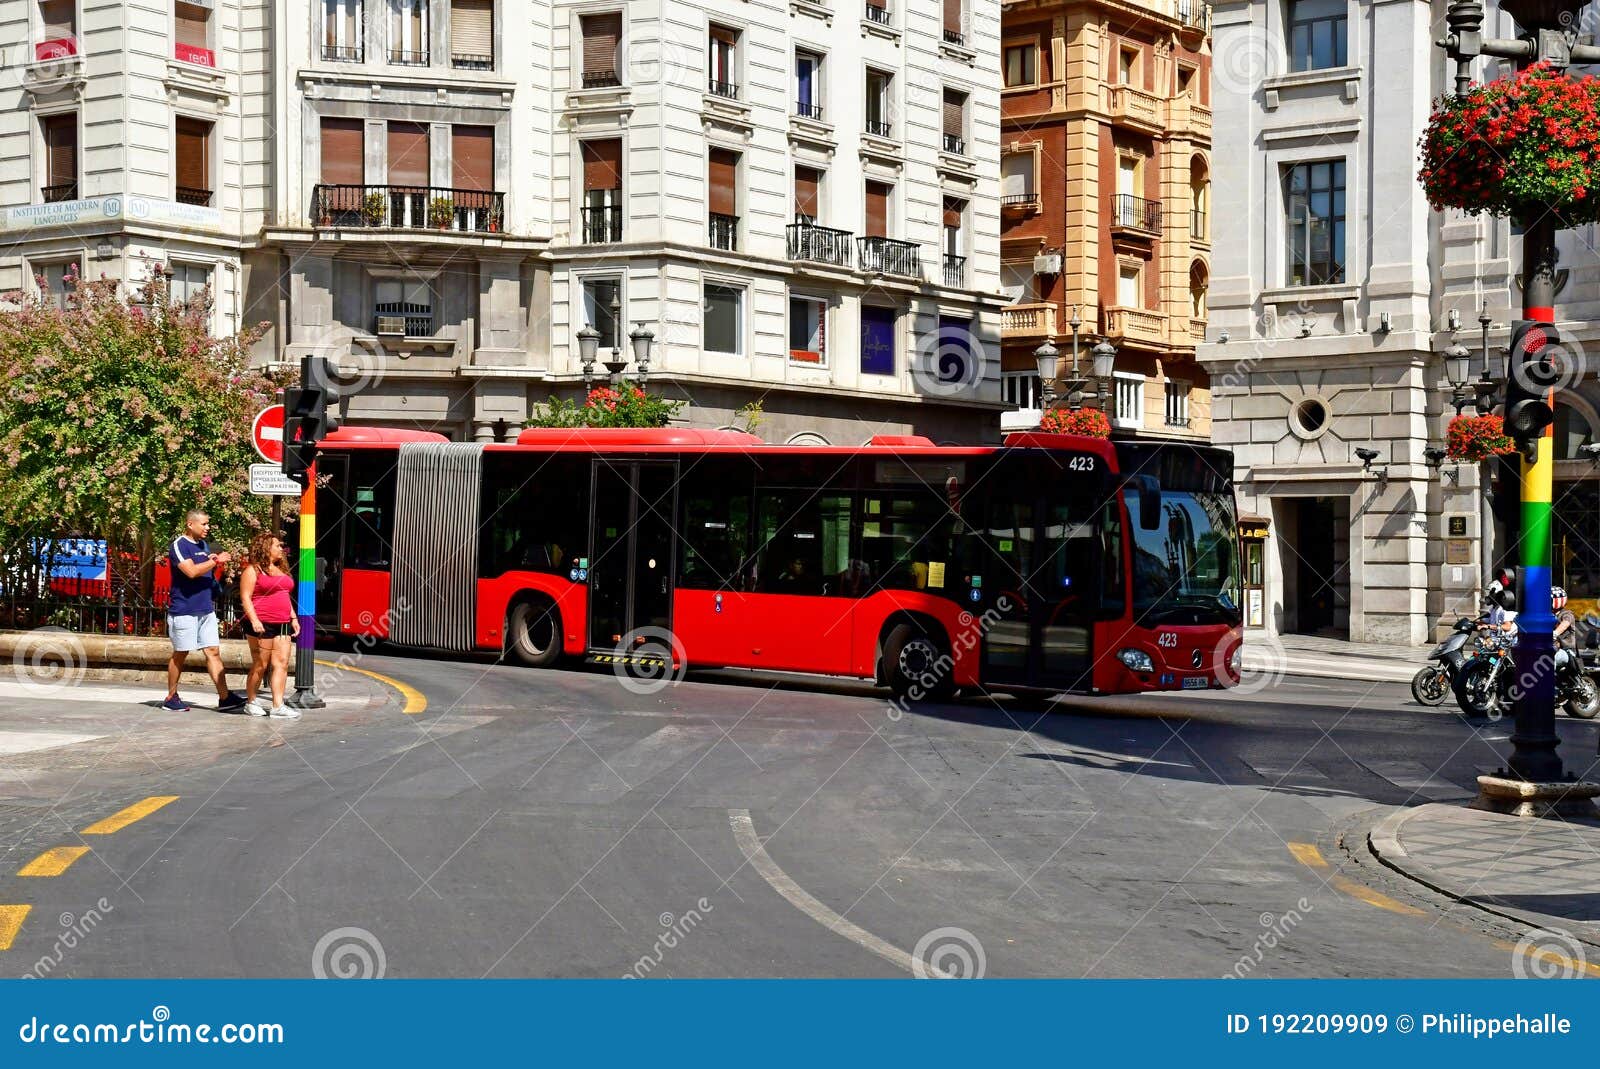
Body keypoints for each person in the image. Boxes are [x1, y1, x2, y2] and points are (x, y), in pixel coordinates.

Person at [163, 510, 246, 712]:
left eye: (208, 524)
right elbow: (190, 571)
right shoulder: (179, 545)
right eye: (204, 524)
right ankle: (171, 697)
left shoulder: (203, 545)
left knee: (213, 652)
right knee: (181, 653)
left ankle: (225, 698)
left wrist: (209, 560)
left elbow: (203, 569)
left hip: (205, 609)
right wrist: (215, 561)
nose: (207, 527)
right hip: (184, 609)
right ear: (190, 524)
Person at [240, 531, 301, 720]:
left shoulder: (281, 569)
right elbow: (245, 597)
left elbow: (284, 595)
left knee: (281, 663)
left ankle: (277, 705)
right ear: (266, 548)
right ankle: (250, 702)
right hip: (261, 623)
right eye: (277, 546)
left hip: (283, 622)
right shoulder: (253, 570)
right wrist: (255, 620)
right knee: (261, 664)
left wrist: (293, 617)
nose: (281, 549)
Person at [1553, 586, 1578, 674]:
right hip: (1552, 648)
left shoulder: (1567, 614)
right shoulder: (1548, 615)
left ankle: (1547, 683)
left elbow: (1565, 624)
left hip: (1567, 651)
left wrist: (1554, 633)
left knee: (1548, 660)